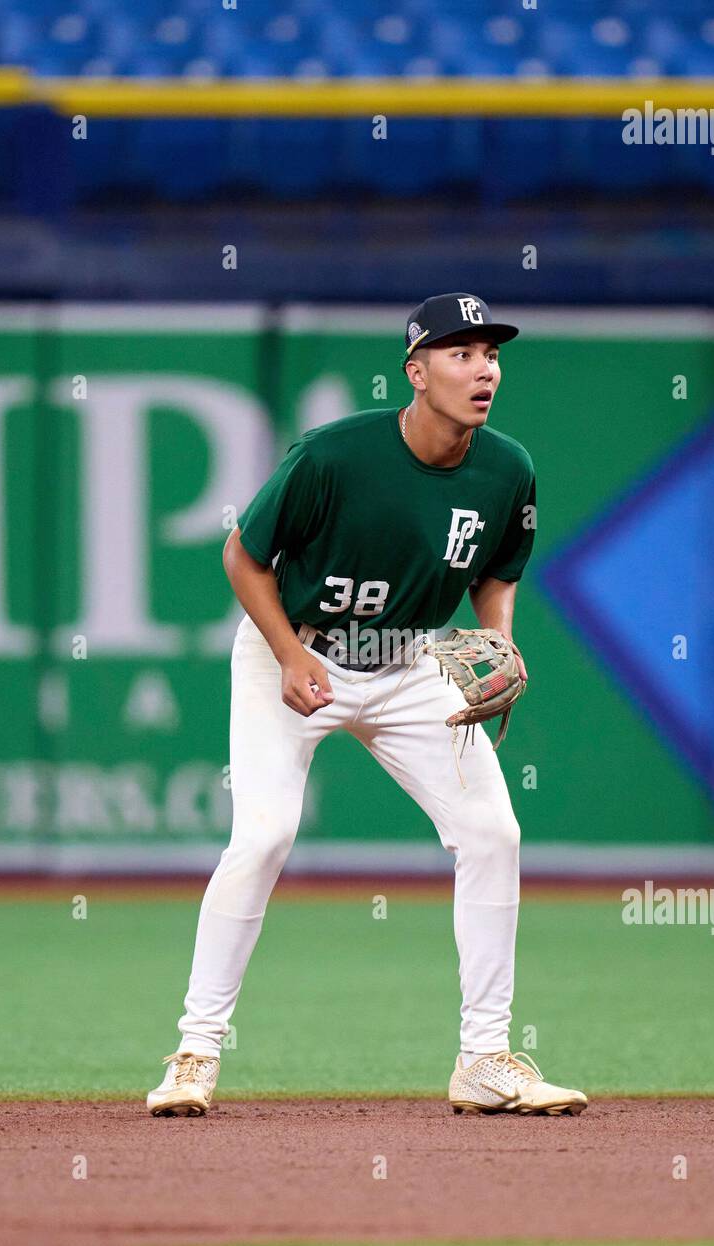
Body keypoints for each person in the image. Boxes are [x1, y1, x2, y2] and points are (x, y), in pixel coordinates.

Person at [147, 293, 587, 1118]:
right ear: (415, 373)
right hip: (299, 648)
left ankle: (485, 1059)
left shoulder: (508, 468)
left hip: (413, 660)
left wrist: (496, 644)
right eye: (460, 354)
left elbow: (498, 570)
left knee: (494, 833)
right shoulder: (335, 455)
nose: (483, 368)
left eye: (491, 353)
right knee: (266, 833)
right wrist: (287, 653)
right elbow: (243, 557)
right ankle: (194, 1056)